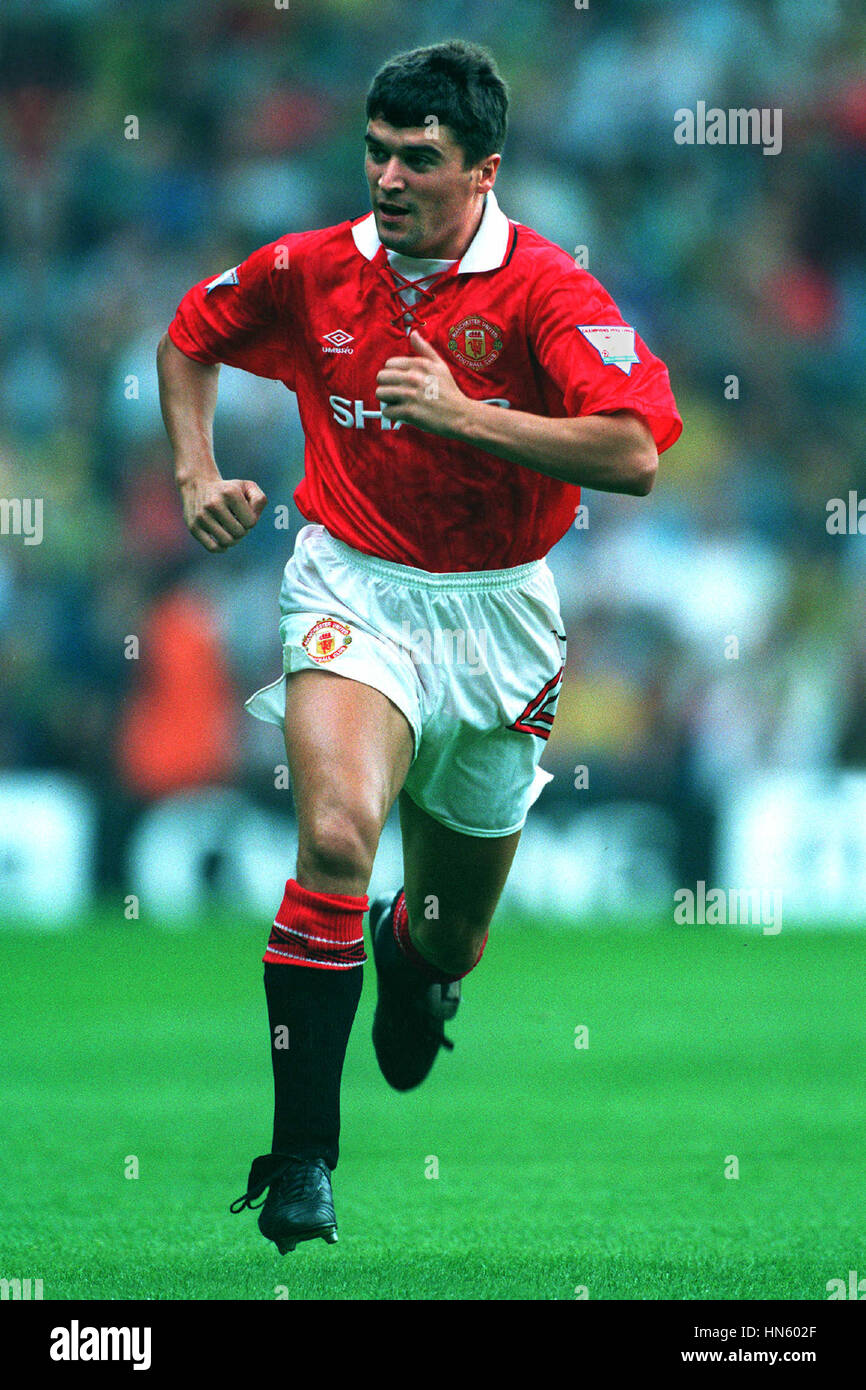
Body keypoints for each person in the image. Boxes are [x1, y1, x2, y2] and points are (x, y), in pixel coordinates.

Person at [156, 39, 682, 1255]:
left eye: (419, 159)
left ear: (481, 172)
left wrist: (462, 413)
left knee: (453, 930)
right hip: (352, 583)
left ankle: (413, 955)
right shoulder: (313, 268)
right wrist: (192, 473)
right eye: (376, 152)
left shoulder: (548, 292)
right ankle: (301, 1161)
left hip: (498, 613)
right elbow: (189, 334)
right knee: (334, 835)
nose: (387, 179)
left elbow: (635, 454)